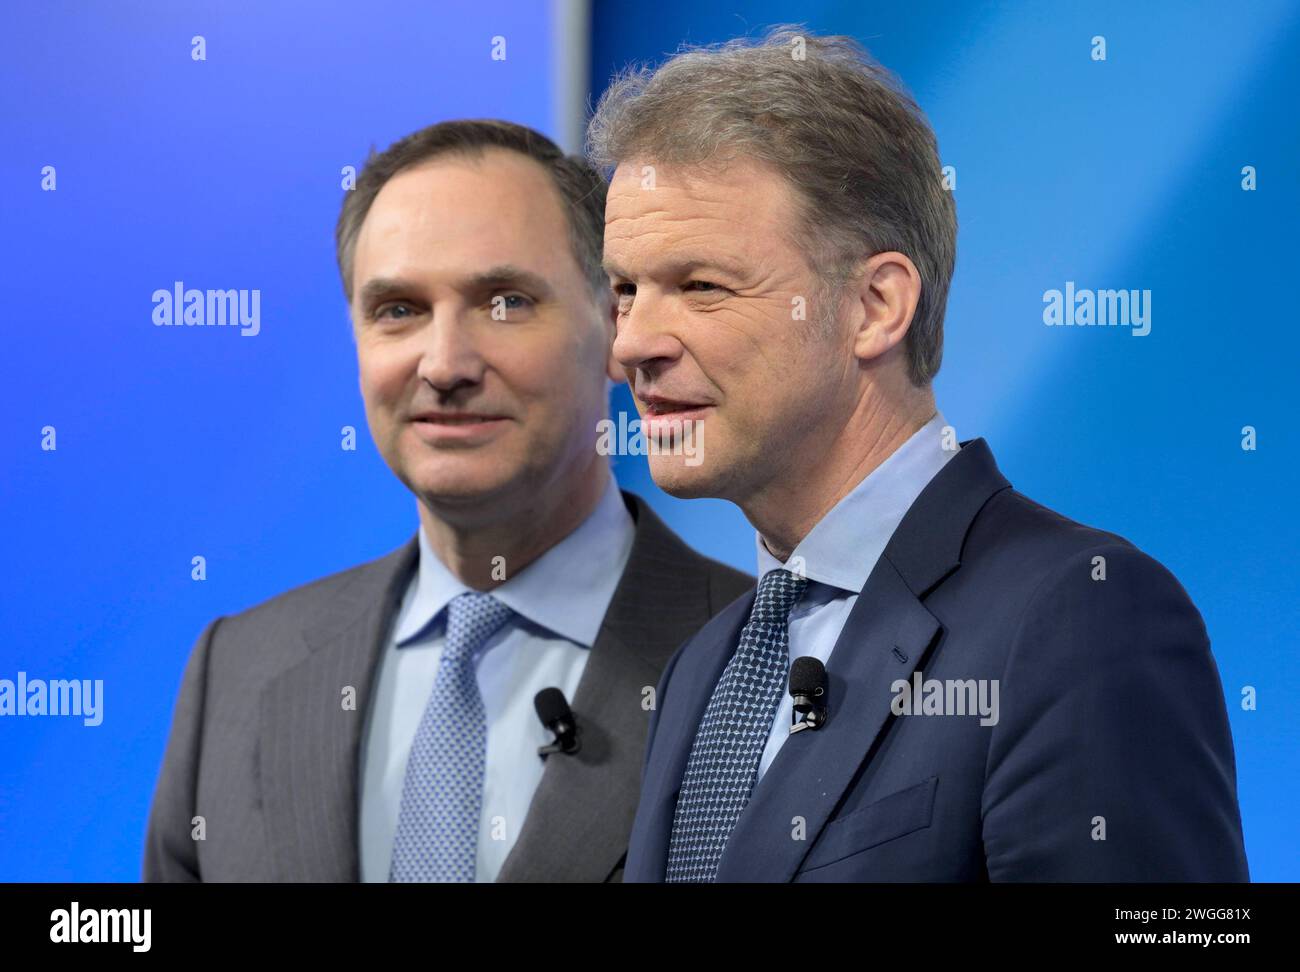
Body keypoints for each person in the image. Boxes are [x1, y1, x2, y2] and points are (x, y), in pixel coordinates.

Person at [589, 28, 1249, 881]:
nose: (631, 346)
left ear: (875, 306)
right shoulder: (700, 667)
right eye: (625, 292)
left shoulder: (1082, 619)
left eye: (700, 287)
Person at [143, 119, 752, 883]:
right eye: (397, 310)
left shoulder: (761, 660)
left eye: (504, 302)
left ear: (613, 327)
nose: (446, 364)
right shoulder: (234, 672)